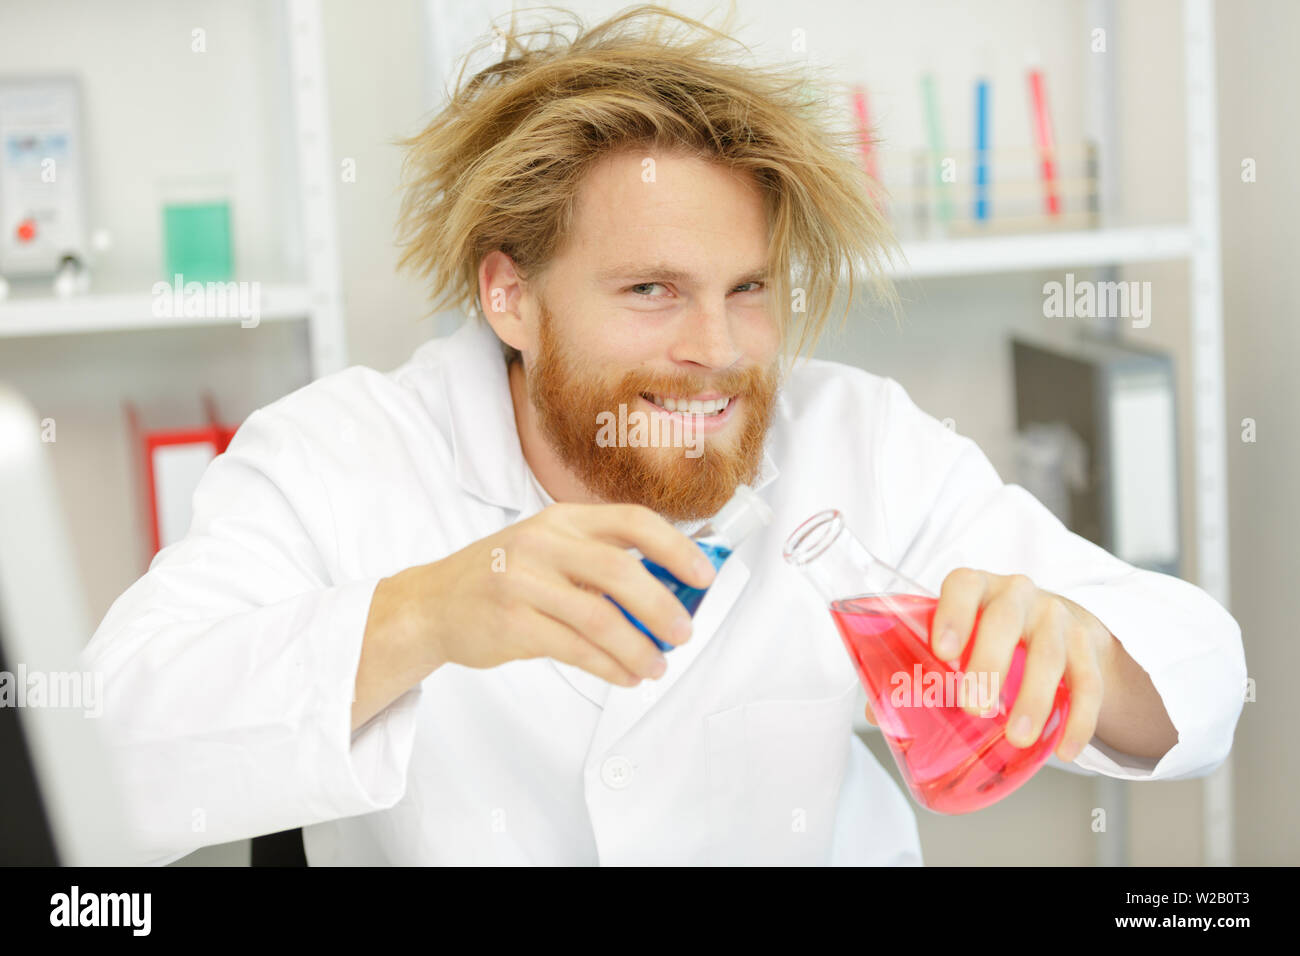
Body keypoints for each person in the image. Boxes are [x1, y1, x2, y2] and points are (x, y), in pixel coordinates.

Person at [83, 6, 1246, 865]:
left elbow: (1203, 674)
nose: (720, 349)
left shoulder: (856, 441)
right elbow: (119, 744)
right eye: (650, 290)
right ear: (508, 295)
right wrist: (428, 610)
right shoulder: (339, 455)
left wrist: (1079, 651)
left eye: (748, 288)